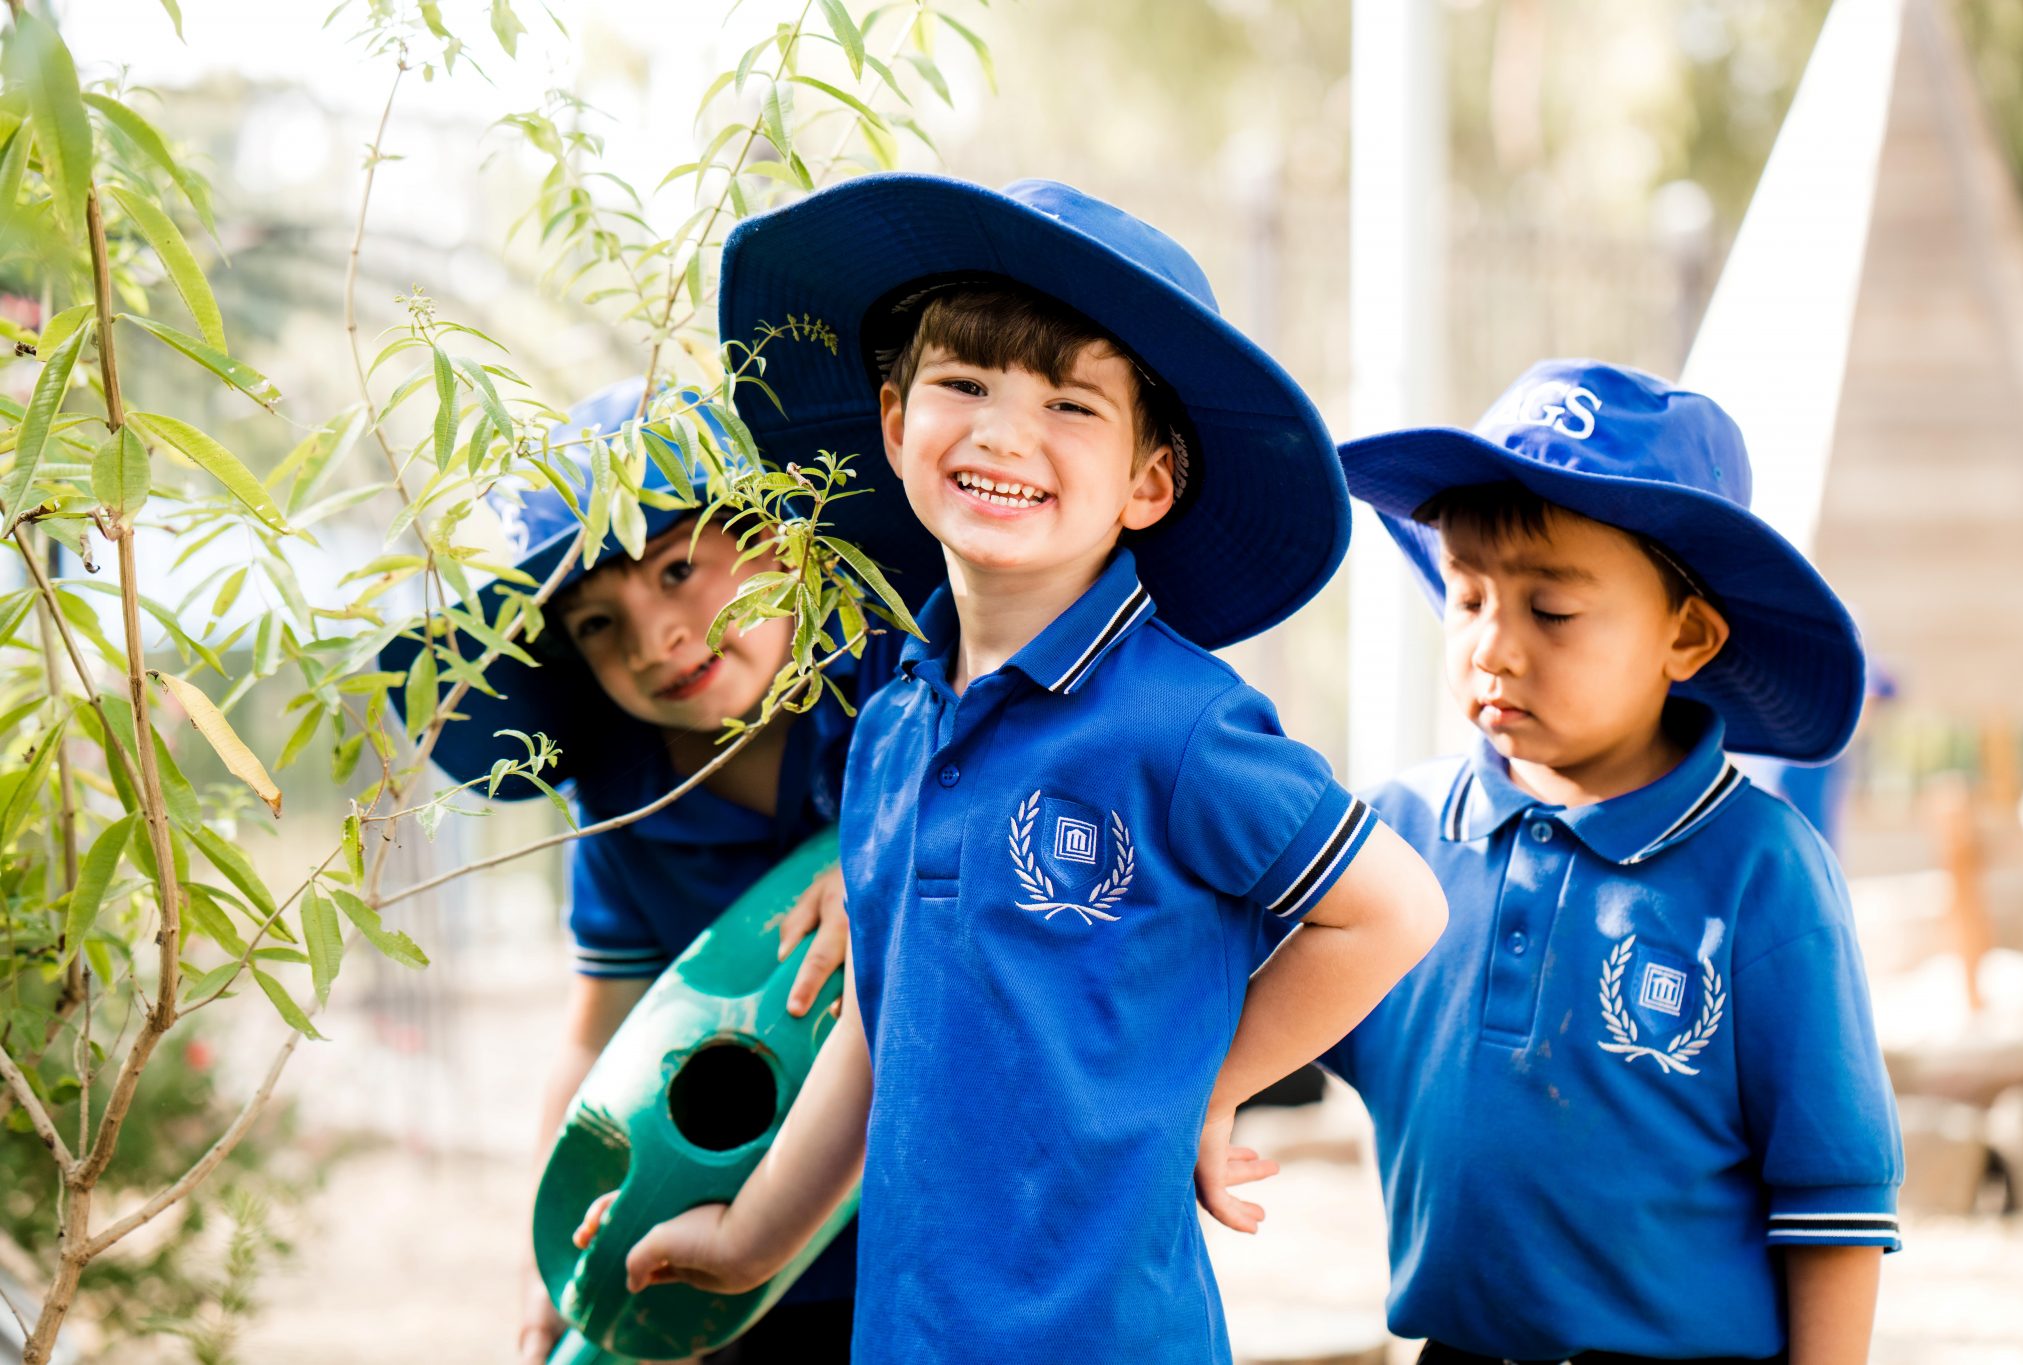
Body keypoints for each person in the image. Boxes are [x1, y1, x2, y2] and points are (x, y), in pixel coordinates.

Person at [573, 175, 1449, 1362]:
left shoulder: (1175, 723)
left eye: (1070, 404)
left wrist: (1206, 1082)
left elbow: (1391, 909)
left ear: (1149, 479)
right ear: (893, 423)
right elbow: (879, 1029)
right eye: (964, 384)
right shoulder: (890, 726)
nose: (1002, 430)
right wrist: (750, 1242)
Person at [1322, 359, 1904, 1364]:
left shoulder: (1760, 875)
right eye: (1465, 599)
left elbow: (1832, 1201)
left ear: (1684, 634)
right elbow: (1229, 1014)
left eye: (1549, 612)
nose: (1492, 649)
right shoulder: (1397, 841)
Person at [383, 378, 935, 1364]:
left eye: (678, 568)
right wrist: (539, 1267)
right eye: (597, 623)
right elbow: (598, 1030)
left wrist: (877, 855)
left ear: (781, 545)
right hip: (742, 1263)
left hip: (948, 1222)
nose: (653, 638)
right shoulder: (627, 800)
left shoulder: (897, 680)